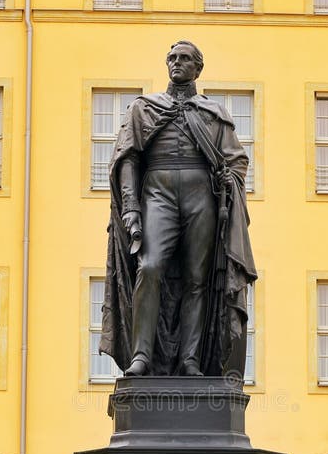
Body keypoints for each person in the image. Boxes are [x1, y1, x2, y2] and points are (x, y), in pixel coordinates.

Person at [99, 40, 257, 378]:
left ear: (198, 68)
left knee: (197, 279)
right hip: (158, 191)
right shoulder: (144, 108)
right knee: (150, 267)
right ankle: (141, 355)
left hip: (201, 196)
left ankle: (190, 359)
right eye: (171, 57)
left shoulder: (214, 113)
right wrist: (130, 208)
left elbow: (237, 160)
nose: (176, 62)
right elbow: (127, 158)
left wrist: (229, 180)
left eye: (185, 58)